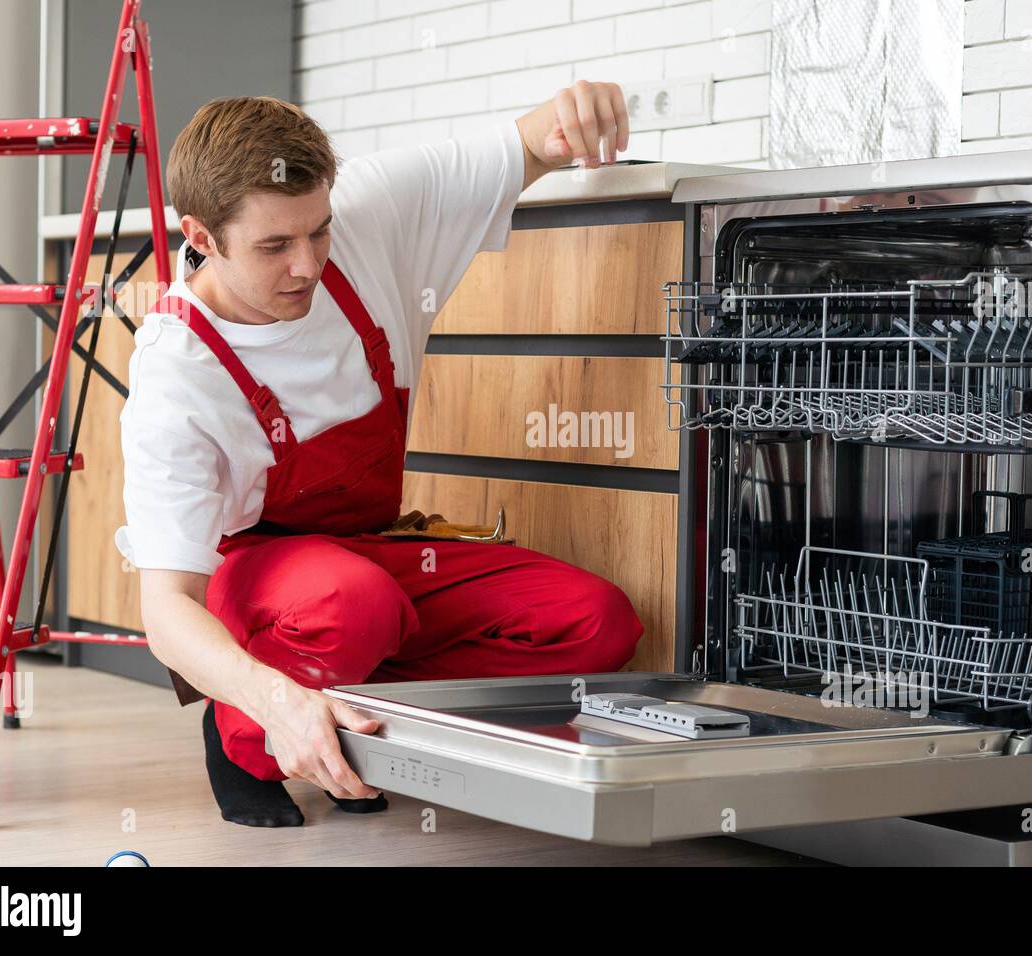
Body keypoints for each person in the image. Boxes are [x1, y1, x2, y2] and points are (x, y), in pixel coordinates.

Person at [115, 82, 642, 827]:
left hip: (378, 557)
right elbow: (167, 612)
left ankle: (344, 705)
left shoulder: (369, 210)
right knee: (349, 605)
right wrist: (270, 695)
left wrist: (577, 111)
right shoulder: (177, 374)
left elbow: (526, 144)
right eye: (274, 247)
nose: (307, 266)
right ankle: (243, 732)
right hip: (268, 579)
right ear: (201, 236)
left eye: (318, 232)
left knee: (596, 624)